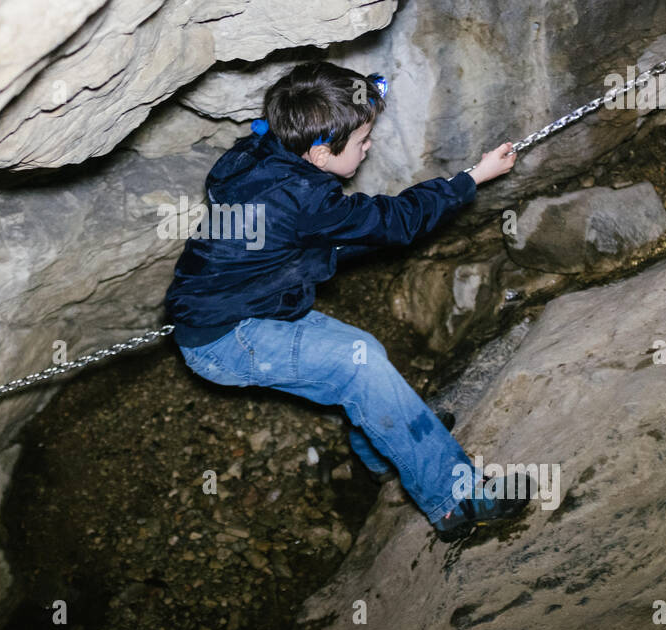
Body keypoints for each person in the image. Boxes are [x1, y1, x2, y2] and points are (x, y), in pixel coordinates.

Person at [163, 61, 529, 541]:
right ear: (318, 154)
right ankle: (454, 501)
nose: (369, 146)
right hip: (226, 337)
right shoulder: (304, 200)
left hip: (244, 306)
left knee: (364, 356)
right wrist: (470, 179)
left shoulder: (261, 150)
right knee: (360, 366)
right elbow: (396, 222)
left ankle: (386, 445)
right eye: (362, 141)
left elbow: (301, 233)